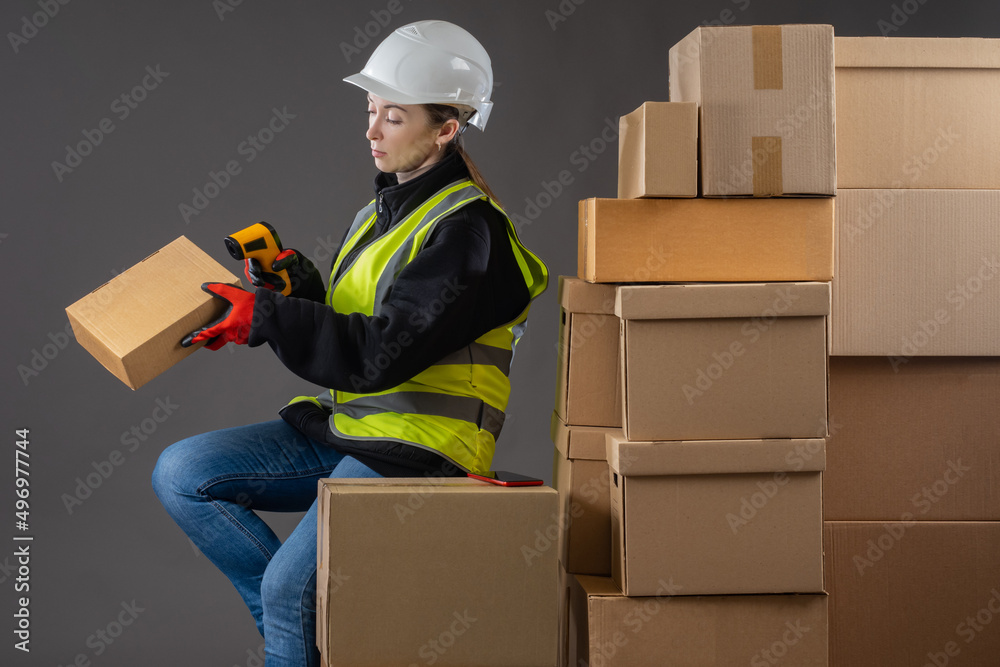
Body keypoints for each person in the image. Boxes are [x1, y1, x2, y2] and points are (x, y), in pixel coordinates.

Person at [151, 19, 548, 667]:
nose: (371, 131)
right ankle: (299, 628)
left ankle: (294, 622)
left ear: (446, 129)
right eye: (370, 110)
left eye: (393, 116)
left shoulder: (467, 231)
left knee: (289, 590)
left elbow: (378, 352)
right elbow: (364, 321)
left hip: (422, 447)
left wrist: (269, 316)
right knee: (182, 474)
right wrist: (297, 289)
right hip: (357, 428)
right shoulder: (384, 211)